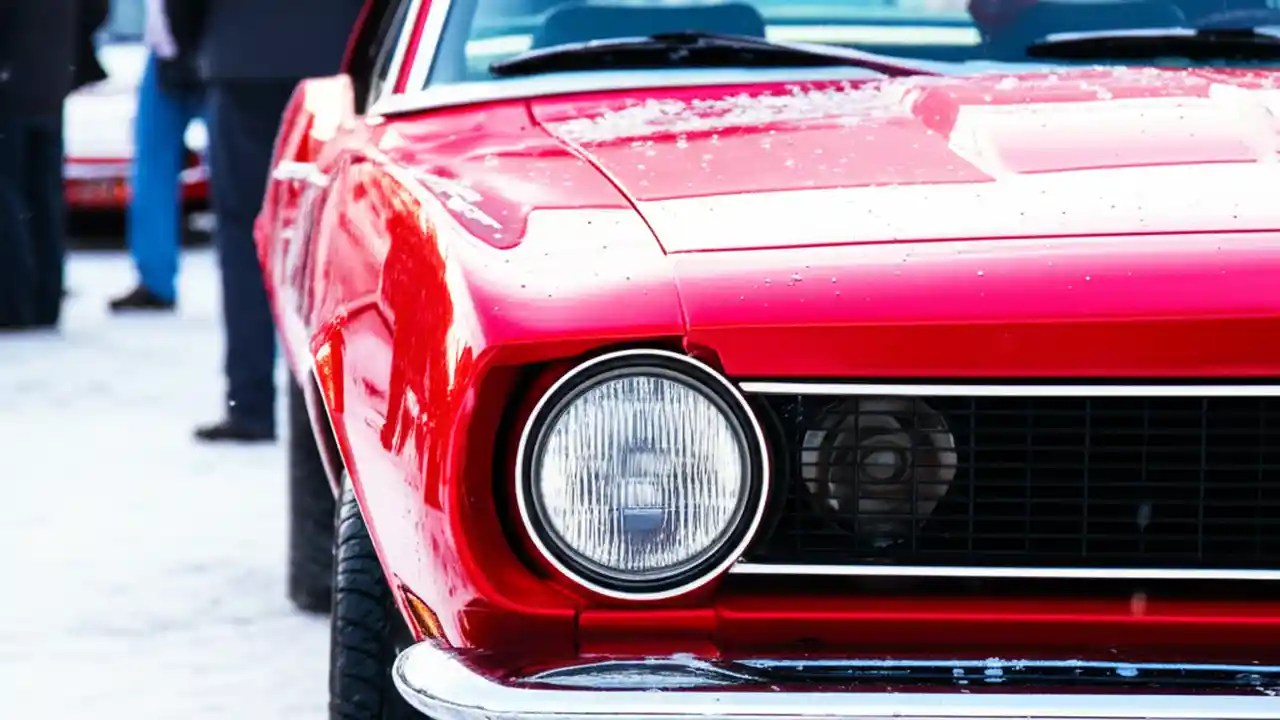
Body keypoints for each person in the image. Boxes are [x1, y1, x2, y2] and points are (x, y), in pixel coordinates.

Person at [167, 0, 363, 441]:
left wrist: (193, 47)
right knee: (341, 237)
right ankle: (341, 411)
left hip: (243, 58)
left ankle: (250, 400)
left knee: (244, 237)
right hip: (339, 59)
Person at [0, 0, 107, 330]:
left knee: (9, 194)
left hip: (12, 74)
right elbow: (96, 9)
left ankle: (14, 303)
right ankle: (44, 300)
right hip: (50, 72)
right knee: (43, 193)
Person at [108, 0, 205, 313]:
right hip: (186, 47)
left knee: (154, 167)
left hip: (185, 45)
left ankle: (156, 279)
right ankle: (155, 279)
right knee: (153, 166)